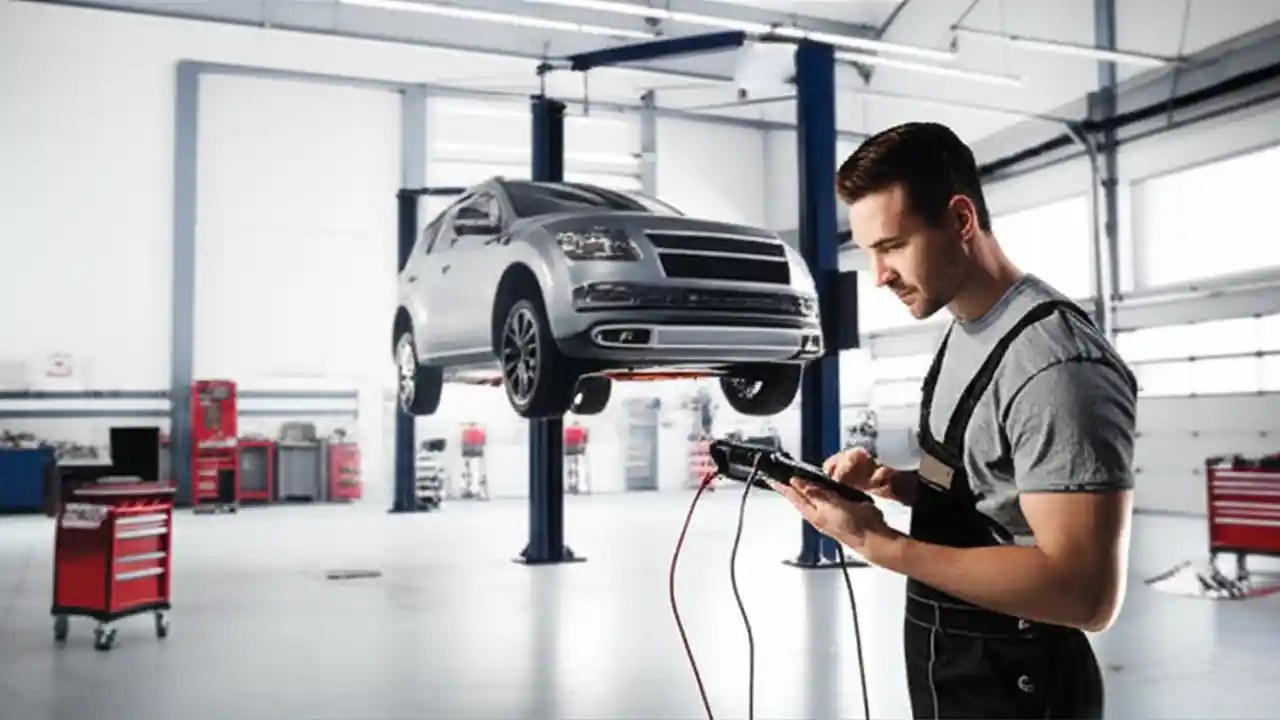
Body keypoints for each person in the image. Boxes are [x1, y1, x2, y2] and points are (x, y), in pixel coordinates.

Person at [769, 122, 1138, 720]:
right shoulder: (966, 329)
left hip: (1019, 681)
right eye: (869, 252)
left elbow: (1084, 592)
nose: (879, 275)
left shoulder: (1055, 366)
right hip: (956, 662)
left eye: (892, 245)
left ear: (961, 221)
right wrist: (895, 483)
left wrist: (877, 542)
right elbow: (996, 490)